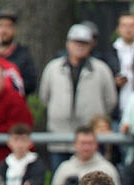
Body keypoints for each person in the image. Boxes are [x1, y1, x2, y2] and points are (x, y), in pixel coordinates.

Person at [42, 26, 118, 167]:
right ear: (67, 43)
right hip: (59, 138)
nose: (79, 46)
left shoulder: (101, 70)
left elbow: (110, 101)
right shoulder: (53, 68)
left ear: (91, 45)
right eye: (76, 42)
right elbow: (44, 97)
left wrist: (96, 121)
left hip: (90, 141)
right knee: (61, 179)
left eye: (84, 43)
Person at [0, 9, 39, 96]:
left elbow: (31, 84)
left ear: (15, 30)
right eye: (0, 25)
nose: (4, 30)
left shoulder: (24, 55)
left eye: (8, 26)